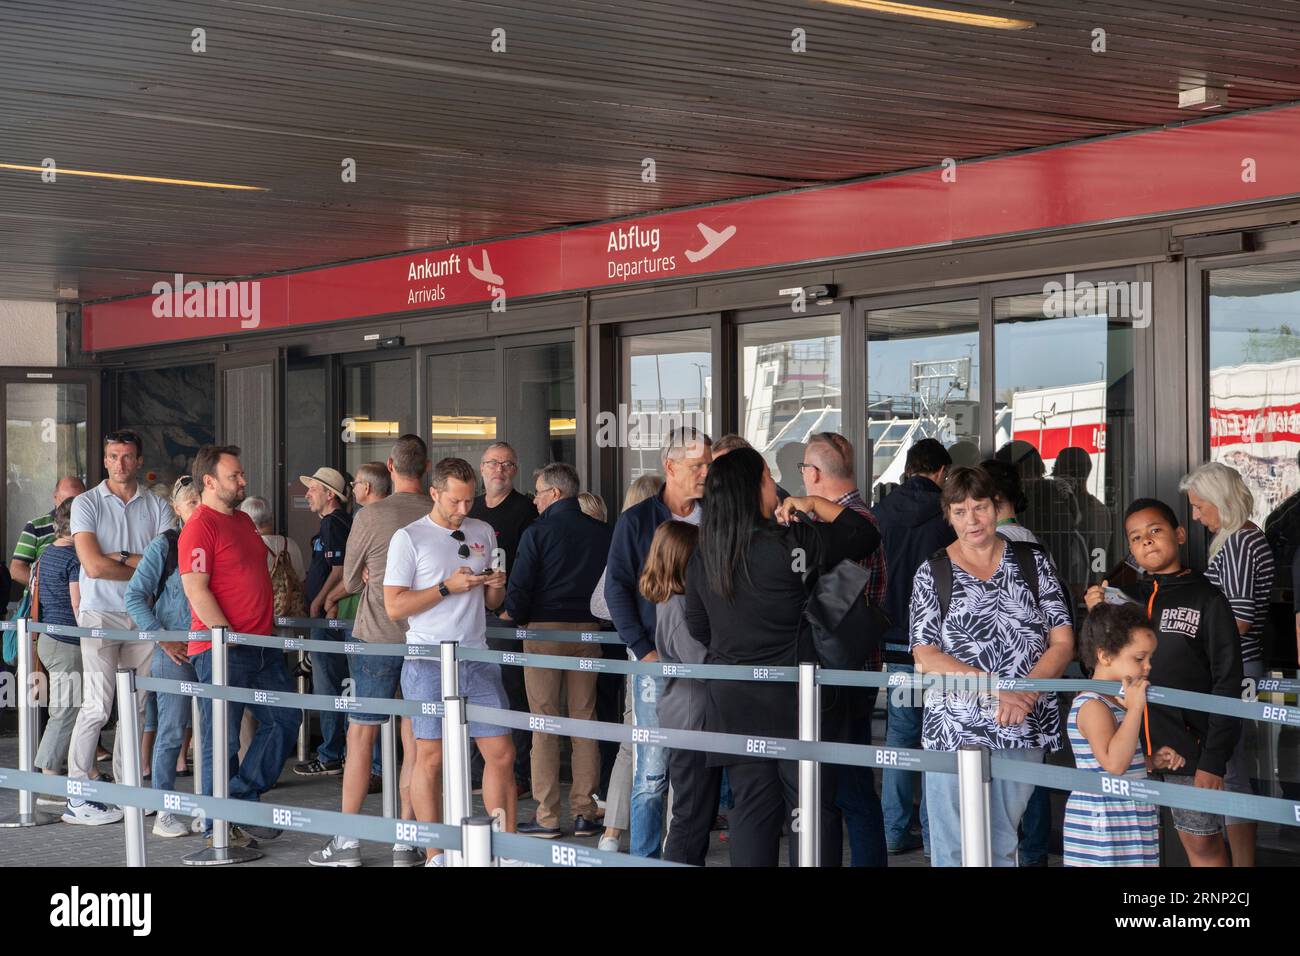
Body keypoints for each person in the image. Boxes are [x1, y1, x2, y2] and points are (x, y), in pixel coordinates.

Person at [684, 447, 879, 866]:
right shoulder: (794, 541)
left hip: (734, 700)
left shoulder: (704, 555)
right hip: (799, 701)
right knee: (811, 812)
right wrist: (811, 503)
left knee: (751, 811)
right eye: (769, 477)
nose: (776, 485)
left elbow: (699, 629)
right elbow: (864, 535)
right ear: (755, 487)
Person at [910, 465, 1075, 867]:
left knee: (1001, 841)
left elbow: (1063, 640)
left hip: (1020, 723)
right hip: (955, 726)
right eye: (960, 510)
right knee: (952, 846)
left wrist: (1025, 693)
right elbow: (925, 654)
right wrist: (997, 689)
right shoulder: (933, 571)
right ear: (948, 514)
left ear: (996, 507)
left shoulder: (1032, 561)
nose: (972, 520)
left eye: (980, 507)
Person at [1084, 498, 1243, 867]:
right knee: (1132, 846)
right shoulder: (1127, 601)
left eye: (1155, 531)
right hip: (1133, 750)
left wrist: (1213, 761)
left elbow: (1228, 681)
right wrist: (1097, 614)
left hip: (1189, 751)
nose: (1147, 541)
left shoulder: (1208, 598)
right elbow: (1097, 663)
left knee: (1203, 846)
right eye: (1136, 537)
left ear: (1180, 534)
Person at [384, 457, 517, 866]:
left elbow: (492, 603)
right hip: (427, 658)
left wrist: (495, 585)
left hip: (475, 654)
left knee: (501, 753)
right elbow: (394, 606)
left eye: (469, 500)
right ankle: (436, 853)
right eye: (455, 501)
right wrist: (446, 587)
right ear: (435, 493)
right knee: (431, 757)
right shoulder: (409, 538)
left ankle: (505, 849)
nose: (464, 510)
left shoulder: (481, 531)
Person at [309, 436, 431, 867]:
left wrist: (366, 573)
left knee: (361, 735)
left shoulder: (371, 515)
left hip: (376, 635)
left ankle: (348, 843)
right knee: (415, 738)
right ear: (427, 467)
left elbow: (354, 581)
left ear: (390, 468)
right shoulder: (437, 513)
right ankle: (407, 840)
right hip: (423, 641)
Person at [180, 444, 302, 848]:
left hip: (261, 644)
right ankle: (220, 825)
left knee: (285, 719)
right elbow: (196, 590)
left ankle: (240, 799)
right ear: (209, 481)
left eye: (242, 473)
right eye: (235, 476)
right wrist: (225, 638)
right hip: (225, 648)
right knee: (223, 739)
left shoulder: (245, 523)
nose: (243, 481)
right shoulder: (200, 525)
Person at [606, 426, 711, 857]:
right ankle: (645, 858)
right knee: (651, 773)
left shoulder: (717, 515)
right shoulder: (637, 521)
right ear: (669, 466)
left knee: (696, 768)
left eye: (709, 464)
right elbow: (616, 589)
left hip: (709, 664)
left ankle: (680, 855)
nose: (706, 472)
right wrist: (644, 651)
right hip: (654, 661)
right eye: (697, 465)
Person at [64, 430, 176, 826]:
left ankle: (128, 789)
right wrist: (139, 565)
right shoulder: (86, 502)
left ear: (139, 461)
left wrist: (123, 558)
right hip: (99, 614)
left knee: (138, 706)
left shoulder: (158, 505)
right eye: (113, 456)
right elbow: (92, 566)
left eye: (128, 456)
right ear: (105, 460)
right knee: (98, 704)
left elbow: (166, 564)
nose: (120, 463)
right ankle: (77, 794)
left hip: (142, 615)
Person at [506, 463, 612, 839]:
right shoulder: (601, 533)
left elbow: (519, 588)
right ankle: (585, 811)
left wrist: (514, 616)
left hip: (544, 633)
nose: (534, 499)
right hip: (588, 631)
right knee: (585, 721)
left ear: (554, 494)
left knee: (544, 723)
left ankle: (548, 816)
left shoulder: (537, 532)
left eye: (537, 492)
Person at [797, 431, 887, 867]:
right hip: (856, 667)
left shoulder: (849, 523)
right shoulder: (857, 516)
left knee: (846, 786)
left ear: (812, 473)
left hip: (838, 672)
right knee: (846, 784)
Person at [1180, 462, 1273, 866]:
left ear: (1221, 501)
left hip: (1233, 668)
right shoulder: (1247, 539)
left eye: (1200, 507)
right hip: (1240, 666)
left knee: (1231, 772)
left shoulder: (1238, 543)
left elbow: (1239, 618)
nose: (1197, 517)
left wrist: (1190, 632)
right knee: (1233, 770)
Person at [871, 437, 953, 856]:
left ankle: (891, 830)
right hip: (939, 645)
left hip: (895, 642)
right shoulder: (947, 515)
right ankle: (935, 830)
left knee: (901, 733)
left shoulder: (881, 512)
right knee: (939, 734)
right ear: (941, 472)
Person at [1063, 603, 1172, 867]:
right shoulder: (1093, 705)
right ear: (1105, 656)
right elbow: (1114, 764)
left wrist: (1150, 762)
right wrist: (1135, 709)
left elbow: (1117, 760)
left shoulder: (1115, 701)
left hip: (1126, 815)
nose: (1147, 667)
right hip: (1103, 822)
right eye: (1139, 658)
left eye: (1150, 659)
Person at [124, 475, 202, 838]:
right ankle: (165, 811)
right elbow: (135, 595)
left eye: (201, 502)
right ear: (176, 508)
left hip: (210, 648)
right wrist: (161, 639)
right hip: (175, 653)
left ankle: (210, 810)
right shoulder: (166, 545)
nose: (197, 509)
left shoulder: (216, 539)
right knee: (172, 730)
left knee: (214, 733)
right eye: (190, 504)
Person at [591, 473, 663, 853]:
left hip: (638, 655)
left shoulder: (627, 540)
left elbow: (600, 603)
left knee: (632, 745)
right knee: (666, 746)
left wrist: (631, 624)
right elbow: (603, 600)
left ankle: (613, 832)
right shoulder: (661, 539)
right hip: (651, 655)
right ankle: (662, 835)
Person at [643, 521, 717, 865]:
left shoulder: (673, 603)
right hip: (691, 721)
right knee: (691, 816)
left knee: (696, 813)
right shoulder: (677, 607)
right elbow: (700, 661)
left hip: (689, 717)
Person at [468, 440, 537, 798]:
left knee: (511, 695)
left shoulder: (526, 510)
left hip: (506, 618)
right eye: (493, 463)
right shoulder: (473, 510)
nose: (500, 470)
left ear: (515, 470)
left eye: (507, 464)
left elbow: (531, 566)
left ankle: (519, 776)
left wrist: (513, 608)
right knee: (476, 694)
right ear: (482, 468)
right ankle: (479, 773)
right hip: (469, 617)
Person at [294, 466, 353, 777]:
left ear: (330, 494)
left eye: (313, 489)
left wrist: (319, 601)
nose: (307, 494)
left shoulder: (333, 523)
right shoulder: (335, 523)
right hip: (331, 618)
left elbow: (340, 569)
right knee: (334, 683)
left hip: (330, 619)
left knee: (329, 685)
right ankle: (338, 751)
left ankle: (331, 754)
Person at [32, 498, 85, 804]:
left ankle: (70, 770)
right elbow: (77, 603)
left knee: (64, 707)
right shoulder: (74, 559)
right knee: (64, 710)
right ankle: (51, 779)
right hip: (68, 642)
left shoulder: (46, 554)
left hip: (49, 639)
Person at [9, 475, 85, 589]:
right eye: (66, 502)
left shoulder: (93, 525)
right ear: (55, 498)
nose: (70, 507)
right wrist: (47, 587)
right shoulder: (36, 527)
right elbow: (16, 570)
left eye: (77, 501)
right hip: (44, 601)